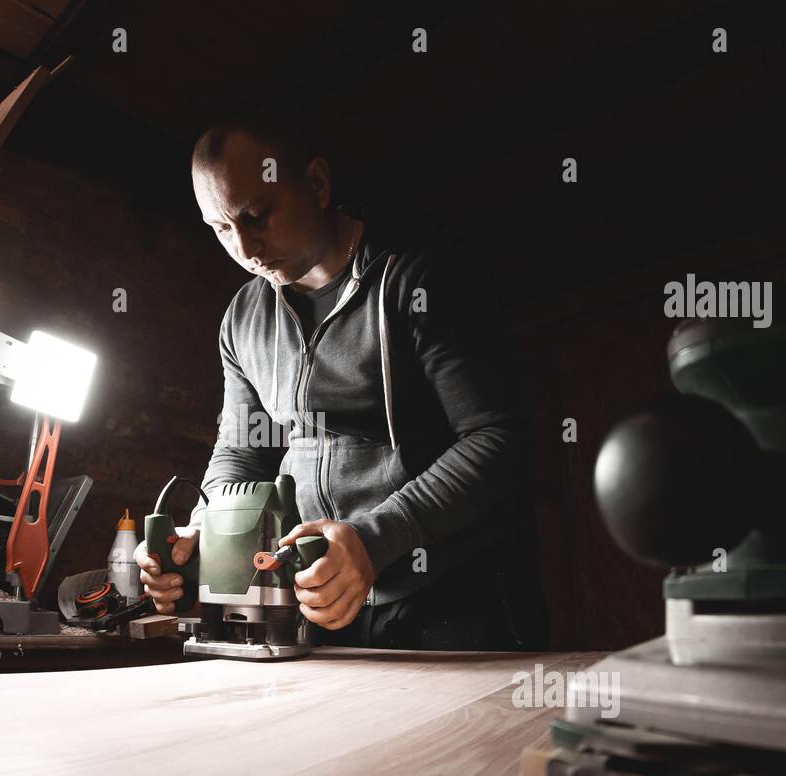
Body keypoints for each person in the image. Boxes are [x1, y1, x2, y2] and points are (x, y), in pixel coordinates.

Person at [135, 112, 548, 651]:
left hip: (452, 596)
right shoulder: (242, 319)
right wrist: (206, 529)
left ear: (317, 184)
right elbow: (243, 451)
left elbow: (497, 438)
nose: (246, 249)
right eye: (221, 228)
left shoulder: (420, 279)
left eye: (257, 215)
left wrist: (374, 541)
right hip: (322, 605)